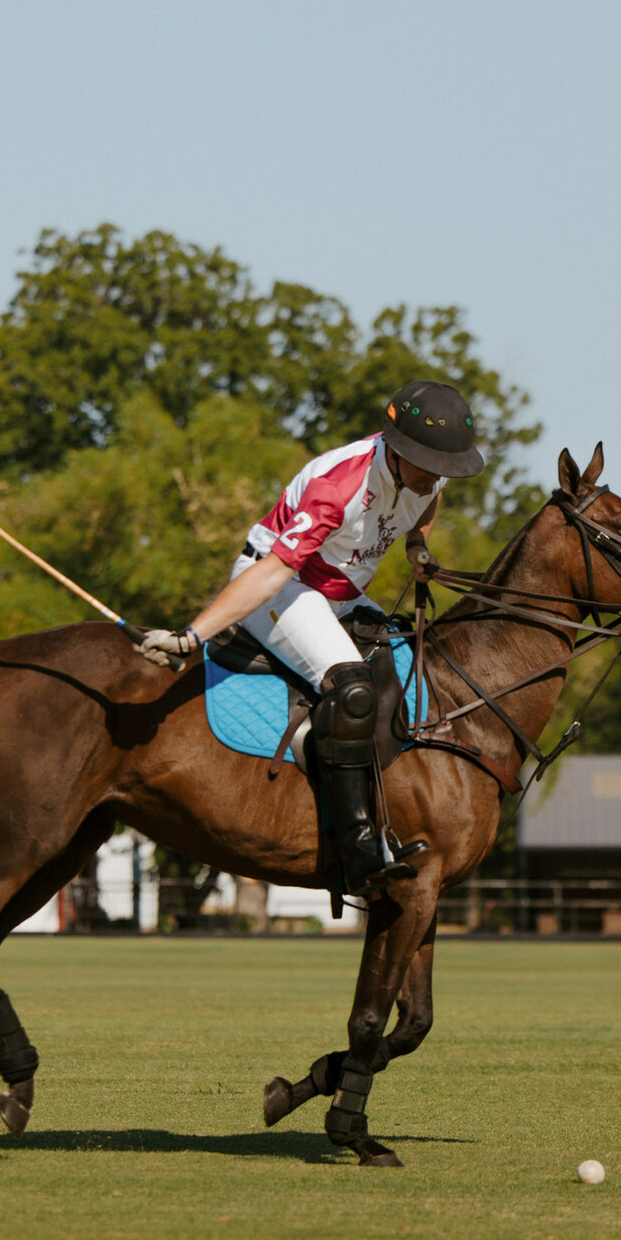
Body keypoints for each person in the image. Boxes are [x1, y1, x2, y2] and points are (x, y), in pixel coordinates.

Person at [132, 380, 487, 889]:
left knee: (407, 671)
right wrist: (192, 635)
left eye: (445, 469)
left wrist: (415, 546)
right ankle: (358, 845)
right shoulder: (338, 486)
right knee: (356, 690)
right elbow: (272, 572)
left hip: (341, 594)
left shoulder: (430, 473)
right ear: (399, 447)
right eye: (429, 466)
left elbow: (425, 507)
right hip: (281, 587)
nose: (437, 477)